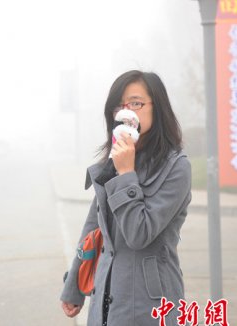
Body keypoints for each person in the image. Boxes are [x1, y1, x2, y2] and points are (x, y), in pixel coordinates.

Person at [60, 70, 191, 325]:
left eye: (136, 103)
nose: (126, 113)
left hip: (151, 308)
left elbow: (139, 234)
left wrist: (126, 173)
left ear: (157, 108)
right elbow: (93, 229)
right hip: (106, 302)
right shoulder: (114, 162)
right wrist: (74, 286)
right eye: (118, 107)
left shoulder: (176, 167)